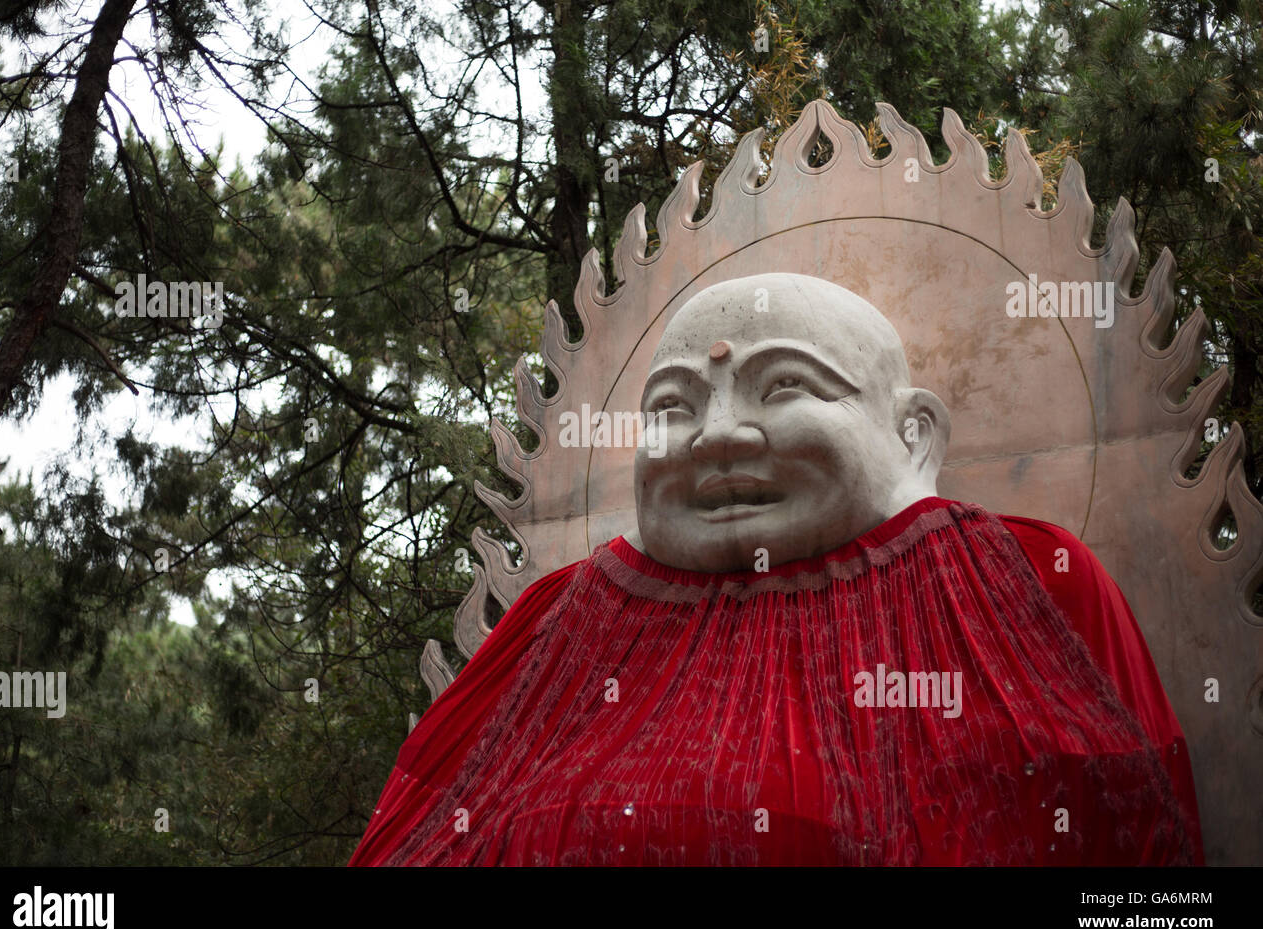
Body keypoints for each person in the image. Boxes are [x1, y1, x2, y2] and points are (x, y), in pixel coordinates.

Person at [351, 273, 1203, 866]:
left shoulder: (1020, 581)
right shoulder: (555, 622)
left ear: (914, 437)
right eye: (674, 407)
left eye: (786, 386)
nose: (719, 434)